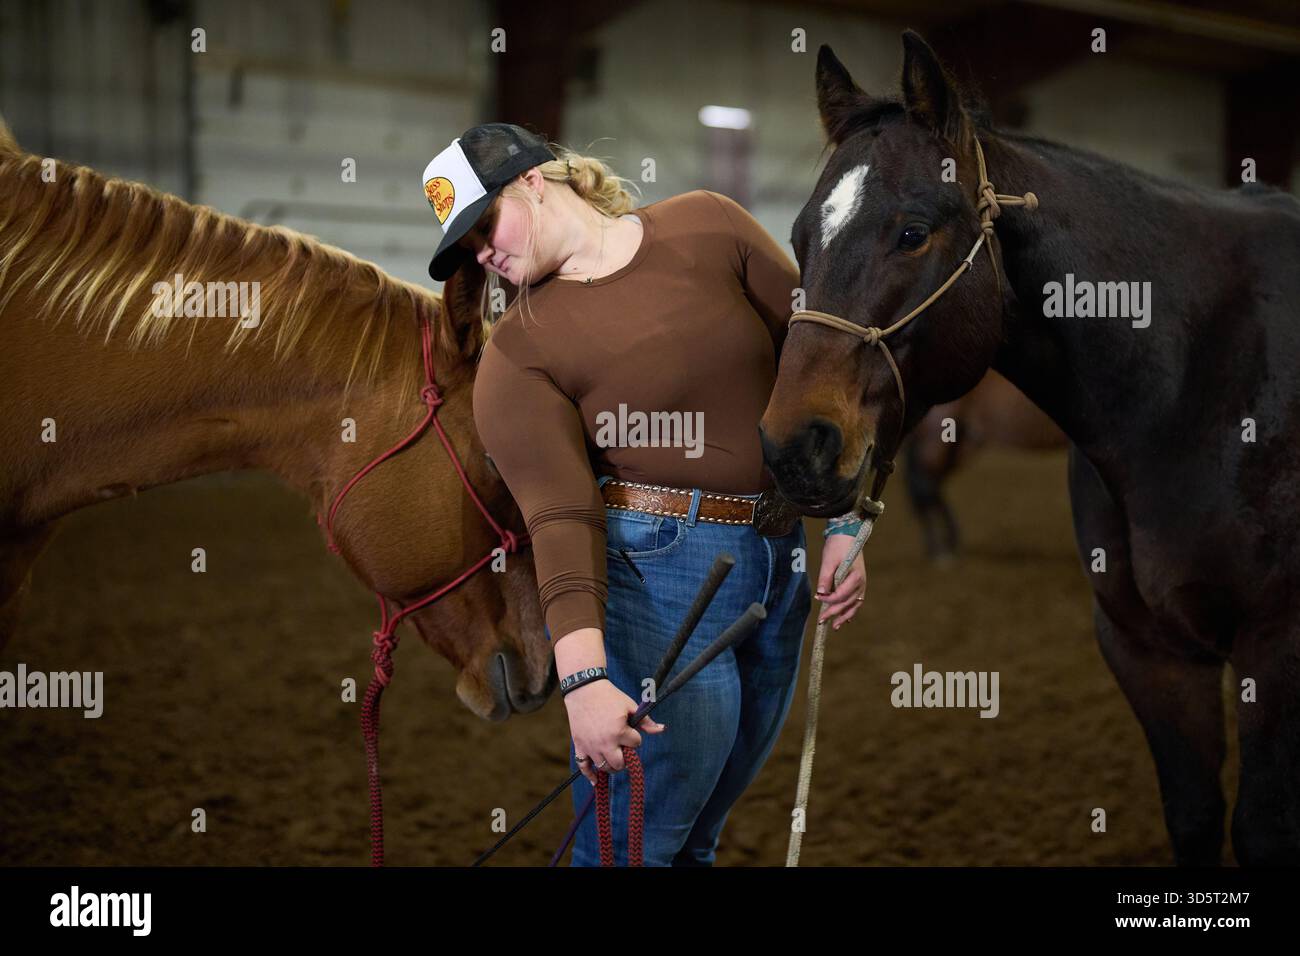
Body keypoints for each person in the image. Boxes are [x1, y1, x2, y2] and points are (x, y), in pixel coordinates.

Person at [421, 122, 868, 866]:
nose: (484, 253)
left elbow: (828, 366)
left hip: (779, 566)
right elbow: (561, 517)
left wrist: (849, 518)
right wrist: (587, 680)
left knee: (694, 838)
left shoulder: (709, 225)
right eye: (468, 248)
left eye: (484, 225)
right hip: (657, 582)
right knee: (635, 846)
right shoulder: (517, 354)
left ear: (535, 179)